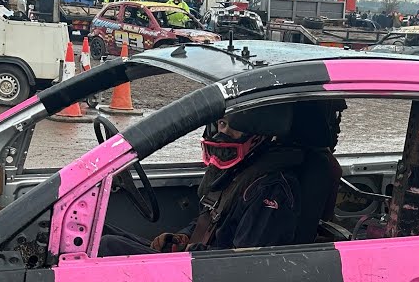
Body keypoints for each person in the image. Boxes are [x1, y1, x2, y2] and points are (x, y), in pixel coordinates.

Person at [99, 106, 304, 256]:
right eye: (222, 124)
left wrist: (196, 251)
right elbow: (210, 216)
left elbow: (246, 263)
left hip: (206, 278)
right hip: (195, 261)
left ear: (259, 132)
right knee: (98, 232)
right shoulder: (235, 170)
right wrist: (182, 237)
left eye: (235, 126)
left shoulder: (270, 189)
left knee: (107, 246)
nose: (223, 133)